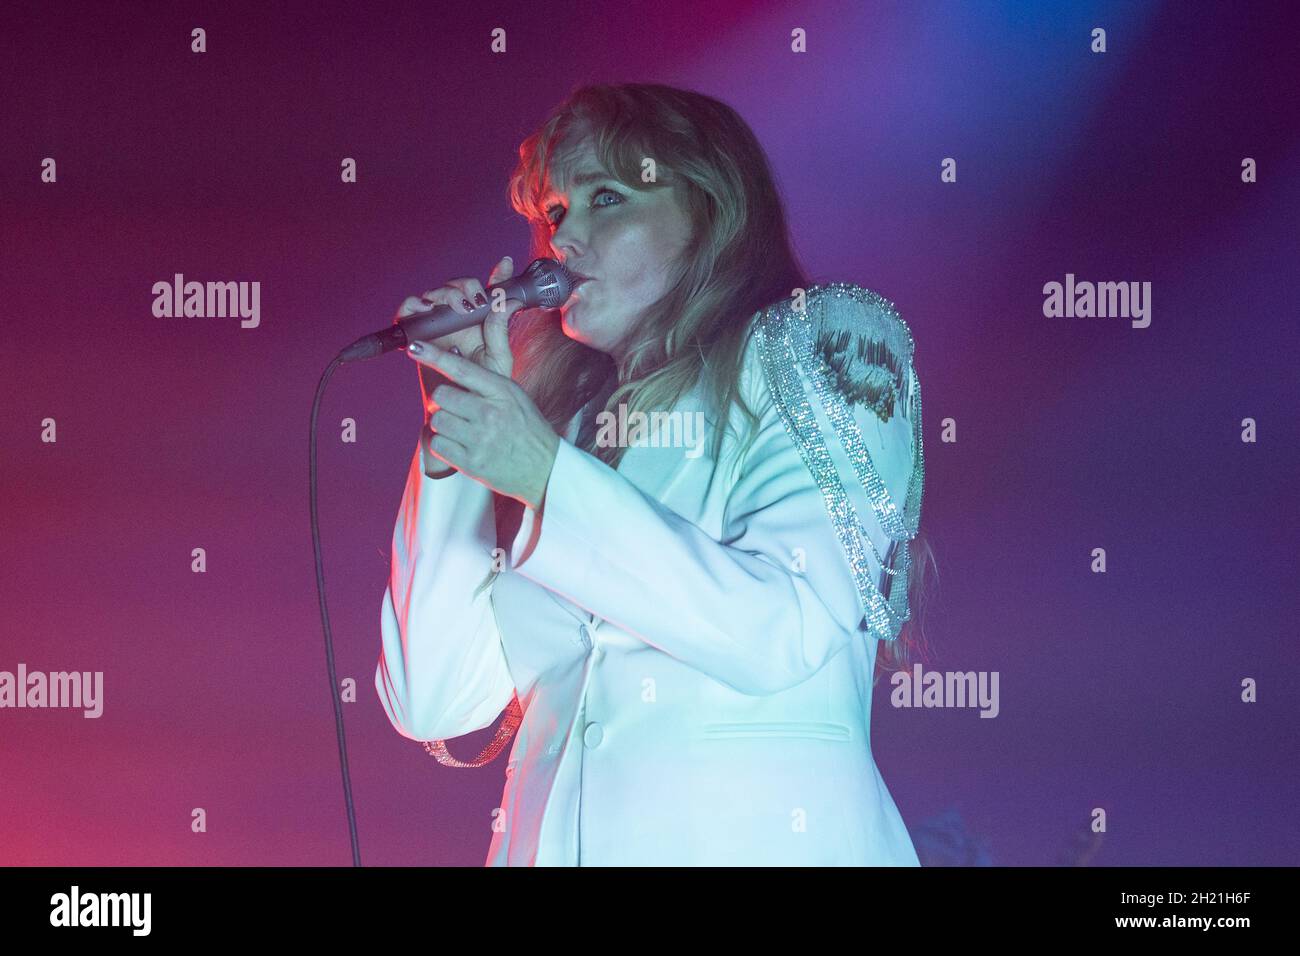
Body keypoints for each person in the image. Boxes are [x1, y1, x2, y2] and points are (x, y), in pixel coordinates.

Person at [375, 82, 930, 866]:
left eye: (608, 196)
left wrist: (544, 475)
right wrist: (455, 439)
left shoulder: (817, 339)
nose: (563, 241)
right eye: (557, 213)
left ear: (711, 208)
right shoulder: (562, 425)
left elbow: (785, 627)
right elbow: (433, 700)